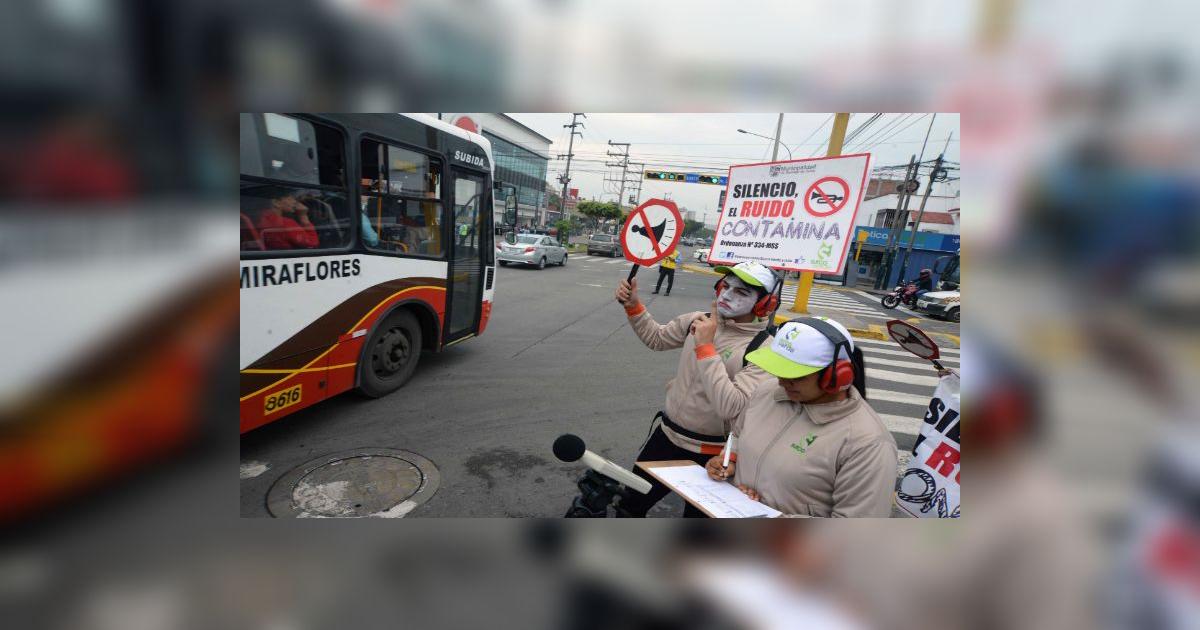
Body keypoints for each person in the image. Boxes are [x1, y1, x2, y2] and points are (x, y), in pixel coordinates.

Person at [611, 261, 781, 517]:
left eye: (742, 292)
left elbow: (731, 406)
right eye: (726, 286)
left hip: (713, 457)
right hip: (666, 438)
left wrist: (705, 346)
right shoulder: (698, 320)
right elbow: (657, 339)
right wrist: (634, 306)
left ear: (764, 304)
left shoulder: (763, 349)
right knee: (628, 506)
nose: (727, 295)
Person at [705, 317, 897, 517]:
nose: (781, 382)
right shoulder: (766, 392)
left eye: (796, 376)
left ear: (836, 376)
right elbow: (736, 434)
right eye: (778, 370)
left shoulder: (868, 444)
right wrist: (729, 461)